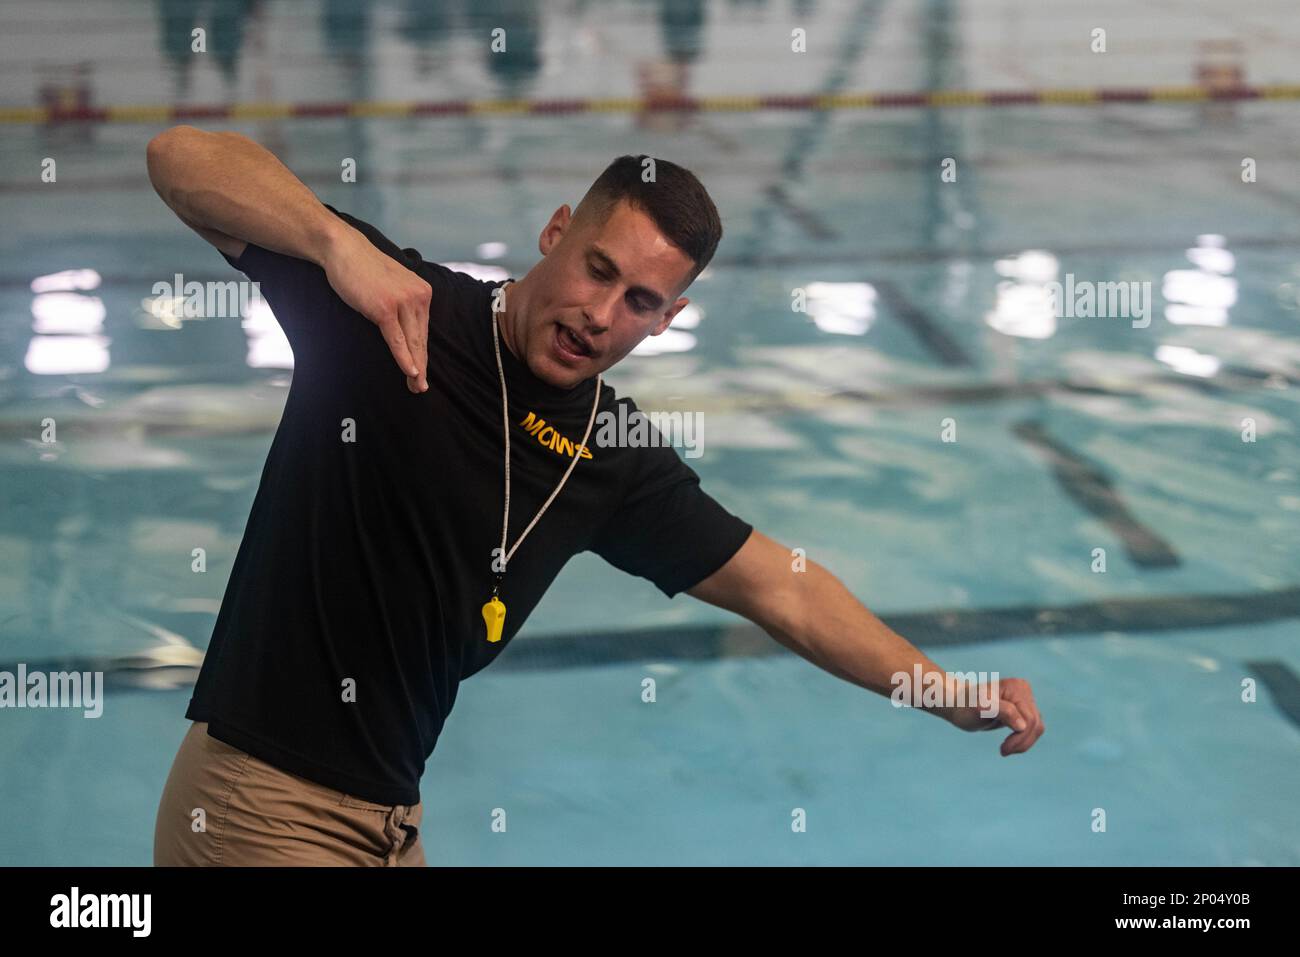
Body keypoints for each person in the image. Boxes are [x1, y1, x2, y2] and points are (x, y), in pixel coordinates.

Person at [145, 128, 1044, 866]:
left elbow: (784, 586)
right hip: (258, 805)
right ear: (556, 231)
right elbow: (181, 159)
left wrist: (943, 689)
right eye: (597, 268)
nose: (600, 312)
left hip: (387, 823)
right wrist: (337, 245)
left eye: (641, 300)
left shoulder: (604, 456)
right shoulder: (400, 312)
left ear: (669, 320)